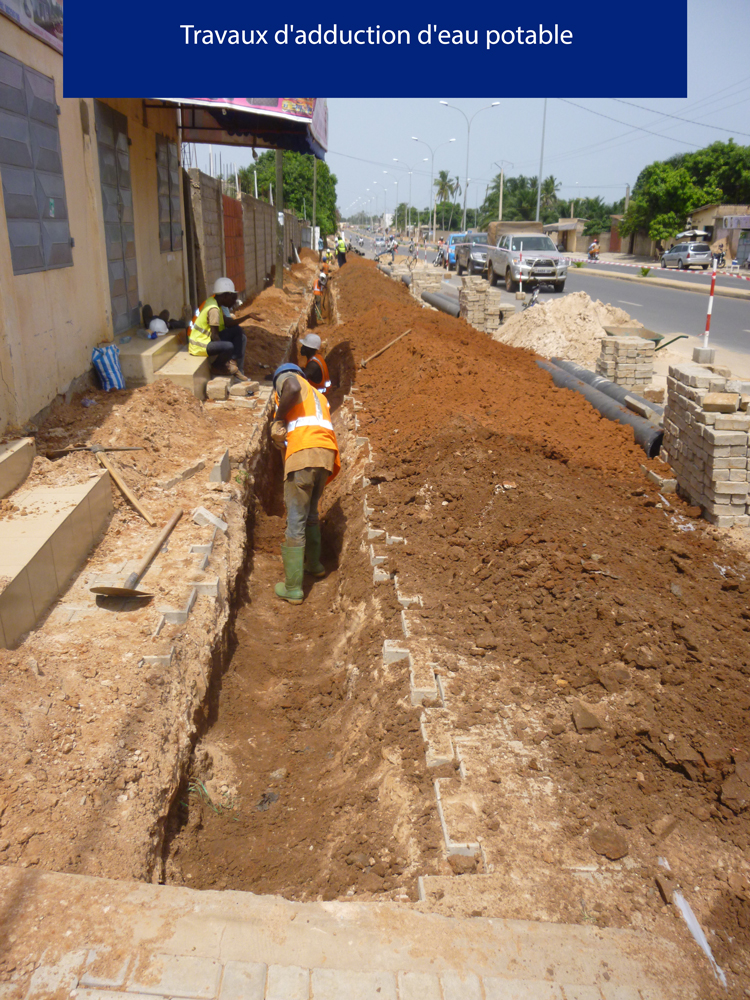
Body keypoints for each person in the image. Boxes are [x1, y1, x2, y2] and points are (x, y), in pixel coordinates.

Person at [270, 364, 340, 604]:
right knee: (311, 513)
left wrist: (278, 420)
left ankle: (293, 588)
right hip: (325, 455)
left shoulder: (289, 378)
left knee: (296, 520)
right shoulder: (317, 395)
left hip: (303, 454)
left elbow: (289, 387)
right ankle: (315, 564)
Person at [188, 277, 249, 380]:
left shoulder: (215, 303)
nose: (233, 302)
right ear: (225, 296)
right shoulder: (214, 310)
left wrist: (247, 317)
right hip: (201, 345)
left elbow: (228, 323)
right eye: (231, 298)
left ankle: (233, 362)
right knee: (228, 346)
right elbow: (215, 336)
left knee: (237, 330)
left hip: (206, 339)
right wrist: (226, 353)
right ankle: (217, 366)